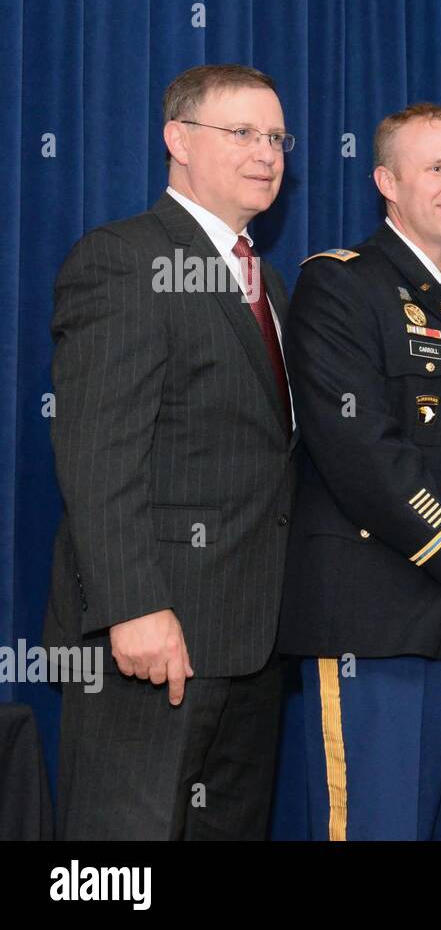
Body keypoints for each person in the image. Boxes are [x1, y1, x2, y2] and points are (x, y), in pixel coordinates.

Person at [47, 64, 296, 839]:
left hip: (252, 646)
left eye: (278, 138)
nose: (267, 153)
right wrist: (133, 607)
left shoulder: (267, 280)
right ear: (177, 140)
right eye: (243, 133)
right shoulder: (125, 259)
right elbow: (97, 454)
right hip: (154, 643)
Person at [279, 103, 441, 840]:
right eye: (437, 169)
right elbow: (360, 451)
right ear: (387, 181)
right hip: (375, 624)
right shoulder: (340, 285)